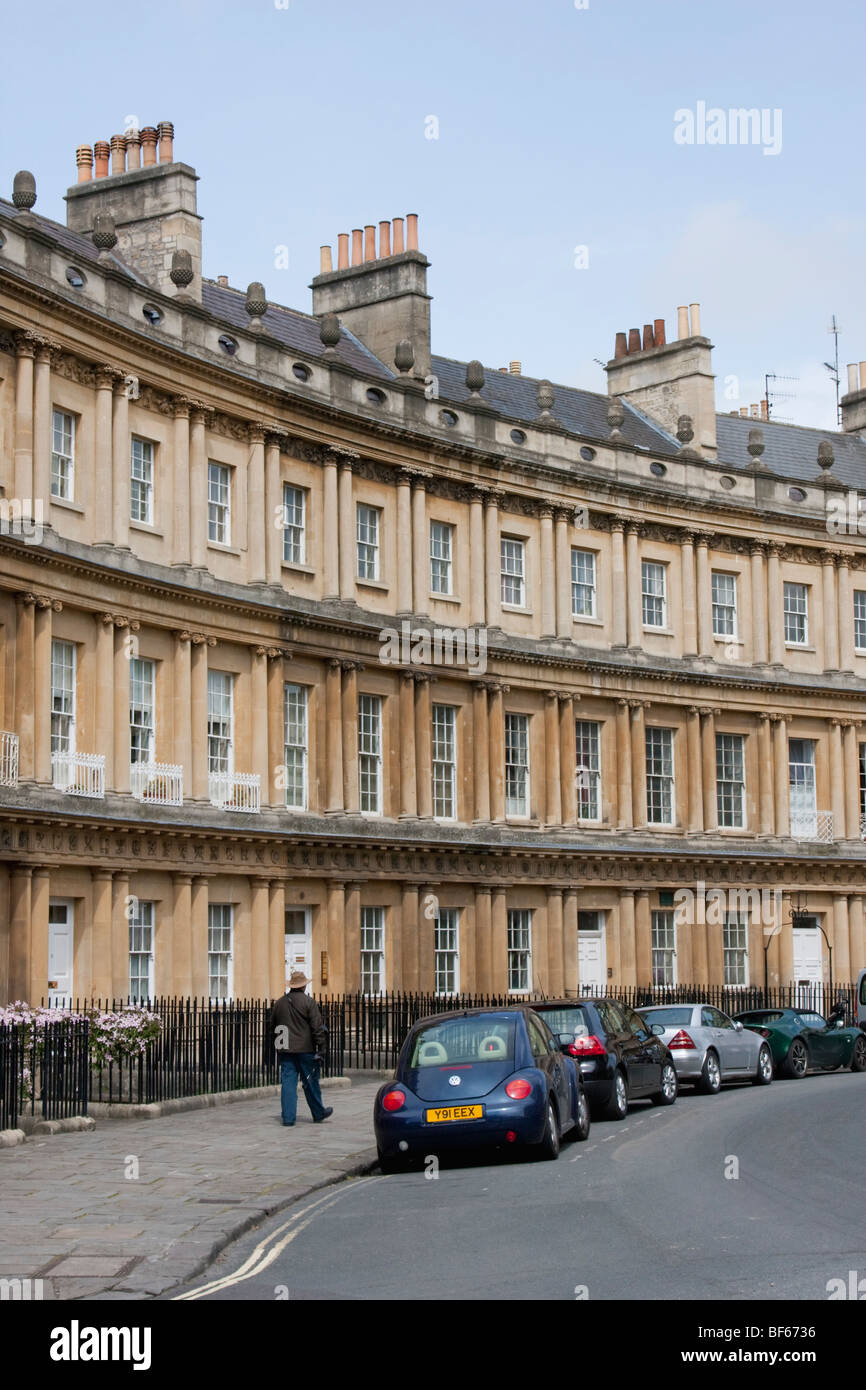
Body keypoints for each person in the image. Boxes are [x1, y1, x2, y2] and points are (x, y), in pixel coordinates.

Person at [269, 971, 333, 1126]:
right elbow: (317, 1027)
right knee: (310, 1082)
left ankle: (288, 1118)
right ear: (303, 985)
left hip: (285, 1050)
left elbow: (273, 1027)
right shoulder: (309, 1002)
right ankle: (318, 1112)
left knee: (288, 1084)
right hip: (306, 1050)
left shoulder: (279, 1003)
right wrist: (322, 1047)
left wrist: (277, 1046)